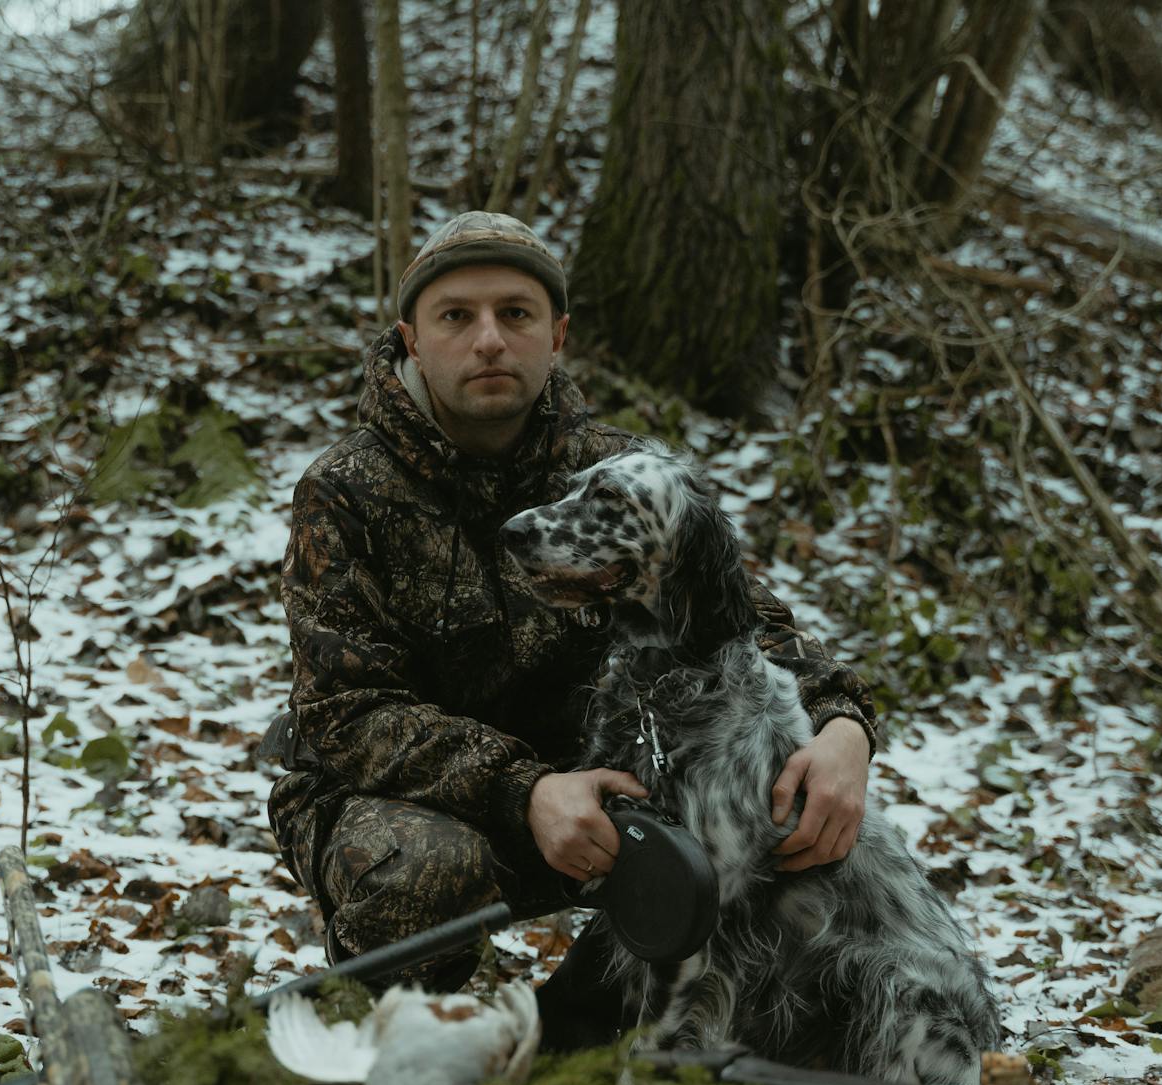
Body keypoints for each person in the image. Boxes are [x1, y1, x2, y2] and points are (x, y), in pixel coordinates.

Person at [264, 211, 879, 1022]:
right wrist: (525, 790)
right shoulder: (345, 492)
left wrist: (844, 725)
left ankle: (725, 1028)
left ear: (556, 335)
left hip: (603, 795)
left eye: (515, 314)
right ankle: (395, 1037)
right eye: (456, 316)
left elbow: (734, 615)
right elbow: (348, 712)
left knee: (766, 805)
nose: (489, 339)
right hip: (405, 800)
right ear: (413, 341)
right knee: (423, 869)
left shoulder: (613, 467)